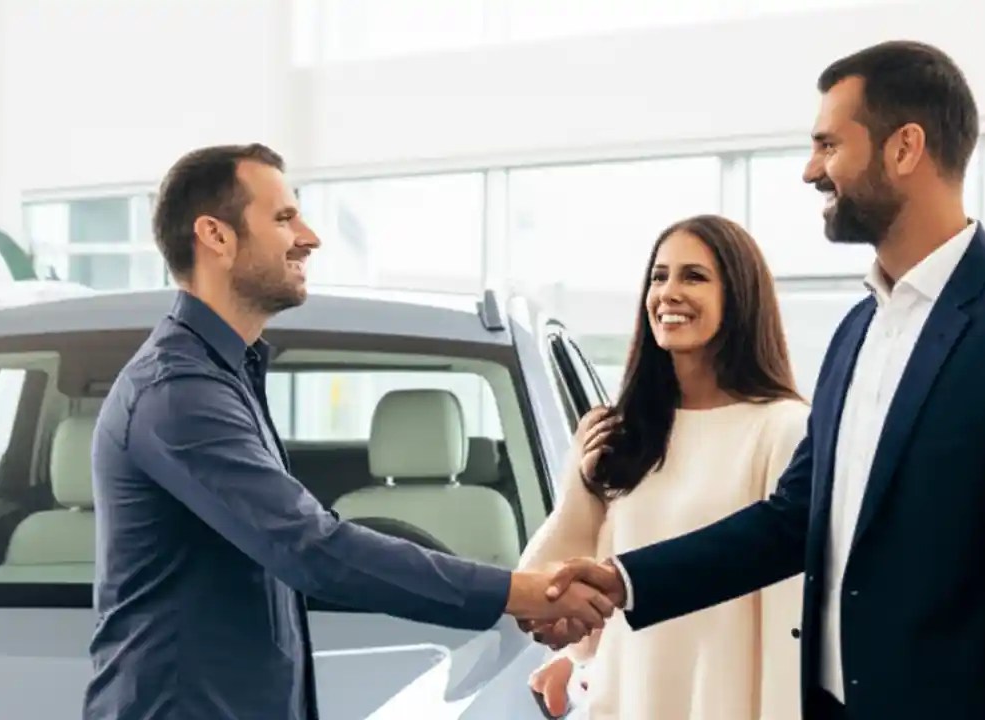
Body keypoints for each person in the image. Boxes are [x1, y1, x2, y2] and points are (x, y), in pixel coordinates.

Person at [537, 40, 985, 720]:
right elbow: (792, 522)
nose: (811, 170)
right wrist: (623, 580)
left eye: (828, 145)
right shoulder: (856, 332)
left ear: (905, 148)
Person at [83, 143, 613, 720]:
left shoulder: (223, 373)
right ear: (215, 235)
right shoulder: (178, 393)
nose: (310, 237)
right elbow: (312, 549)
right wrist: (523, 591)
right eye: (284, 218)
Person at [520, 215, 810, 719]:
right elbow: (547, 594)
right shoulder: (615, 432)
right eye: (659, 277)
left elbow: (789, 621)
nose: (668, 293)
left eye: (693, 277)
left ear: (740, 296)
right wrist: (582, 491)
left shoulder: (783, 429)